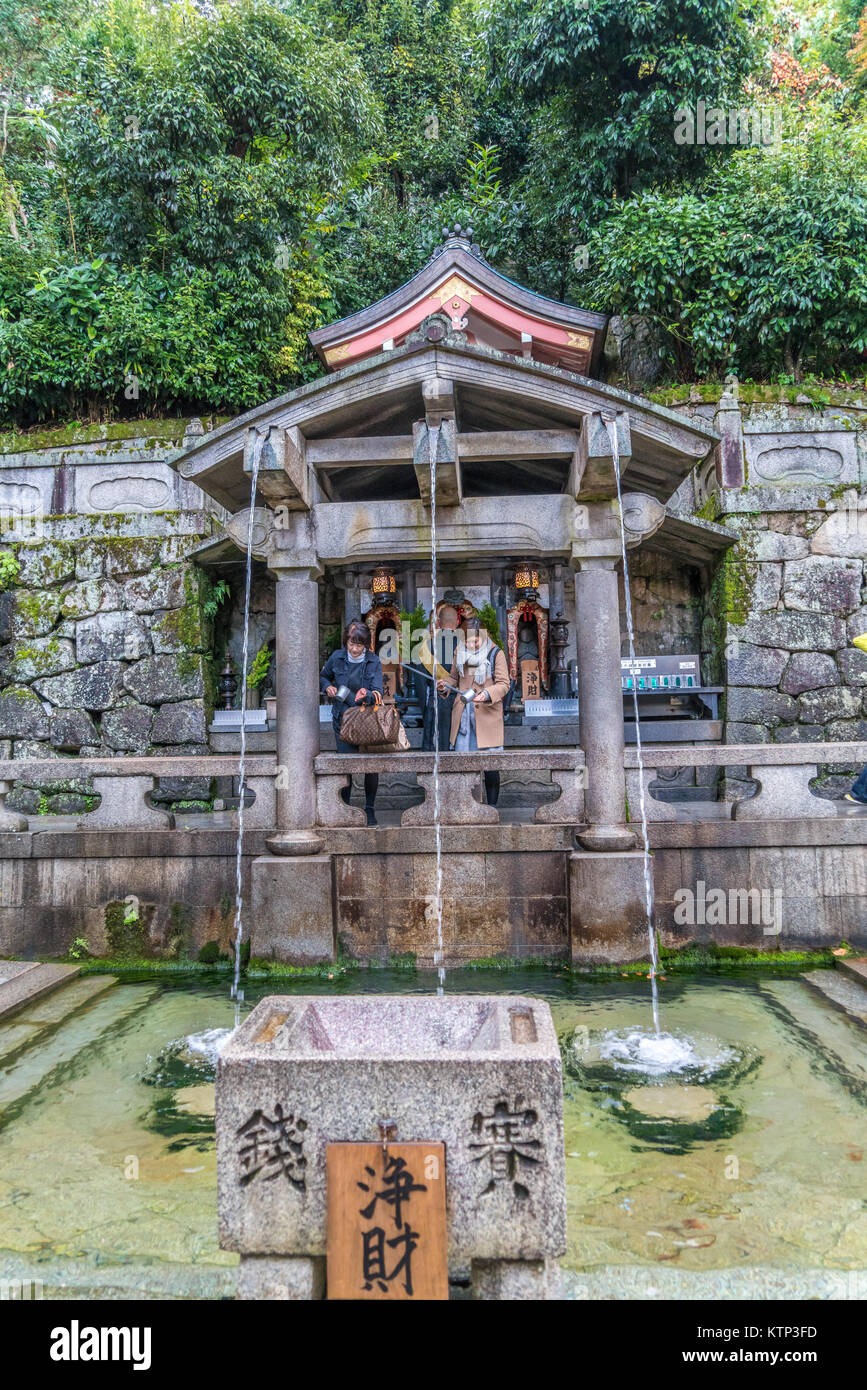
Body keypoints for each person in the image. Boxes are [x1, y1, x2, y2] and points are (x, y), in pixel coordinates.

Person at [437, 616, 510, 806]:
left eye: (474, 640)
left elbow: (504, 684)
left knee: (490, 765)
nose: (470, 643)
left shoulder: (495, 653)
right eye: (467, 640)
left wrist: (486, 694)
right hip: (463, 715)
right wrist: (444, 686)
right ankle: (467, 806)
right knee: (464, 765)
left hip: (486, 714)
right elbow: (454, 678)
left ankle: (492, 808)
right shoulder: (459, 651)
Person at [320, 619, 383, 825]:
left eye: (359, 645)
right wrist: (328, 686)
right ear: (346, 642)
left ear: (366, 644)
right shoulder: (337, 658)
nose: (355, 649)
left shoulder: (373, 661)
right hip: (343, 718)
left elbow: (378, 691)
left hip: (367, 719)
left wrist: (368, 695)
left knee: (370, 766)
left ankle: (370, 808)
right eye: (351, 644)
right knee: (345, 764)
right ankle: (344, 806)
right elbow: (323, 676)